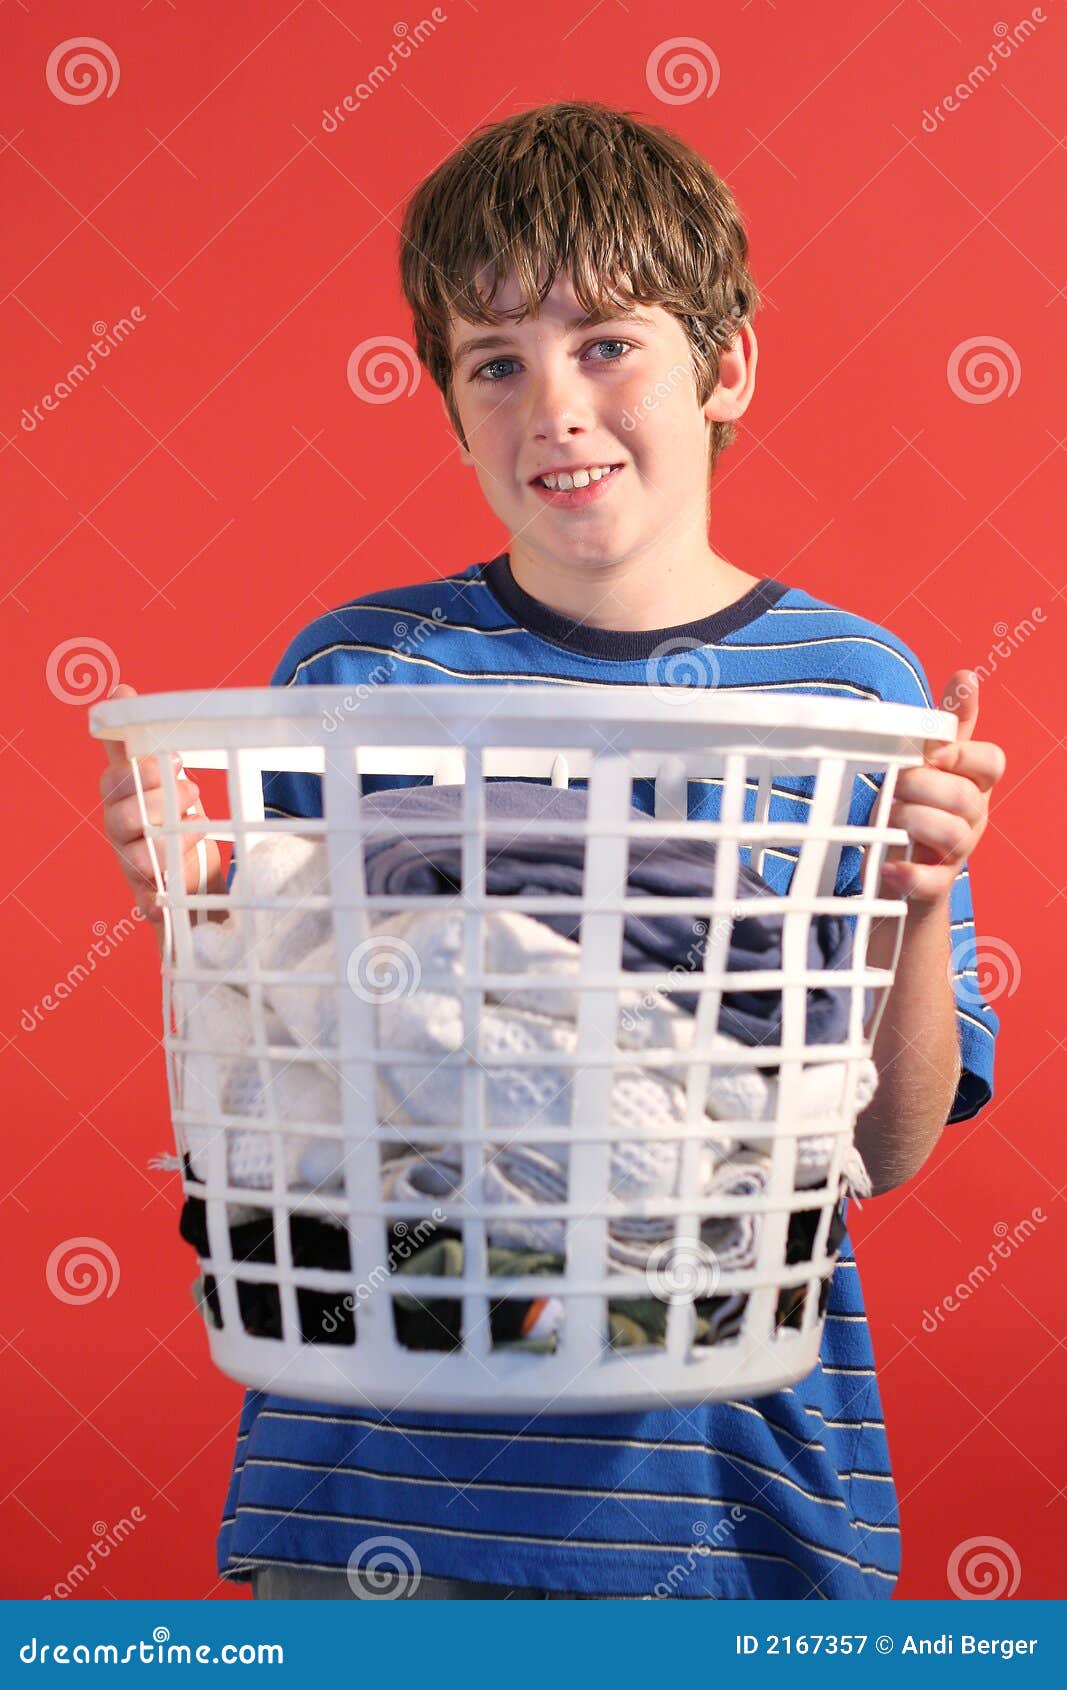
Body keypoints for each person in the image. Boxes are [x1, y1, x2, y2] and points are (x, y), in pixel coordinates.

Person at [98, 100, 1005, 1600]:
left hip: (722, 1498)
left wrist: (923, 893)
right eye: (495, 362)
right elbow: (301, 1080)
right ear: (452, 407)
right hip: (374, 1493)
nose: (553, 409)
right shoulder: (360, 676)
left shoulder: (852, 693)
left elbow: (885, 1152)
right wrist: (208, 909)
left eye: (606, 345)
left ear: (727, 369)